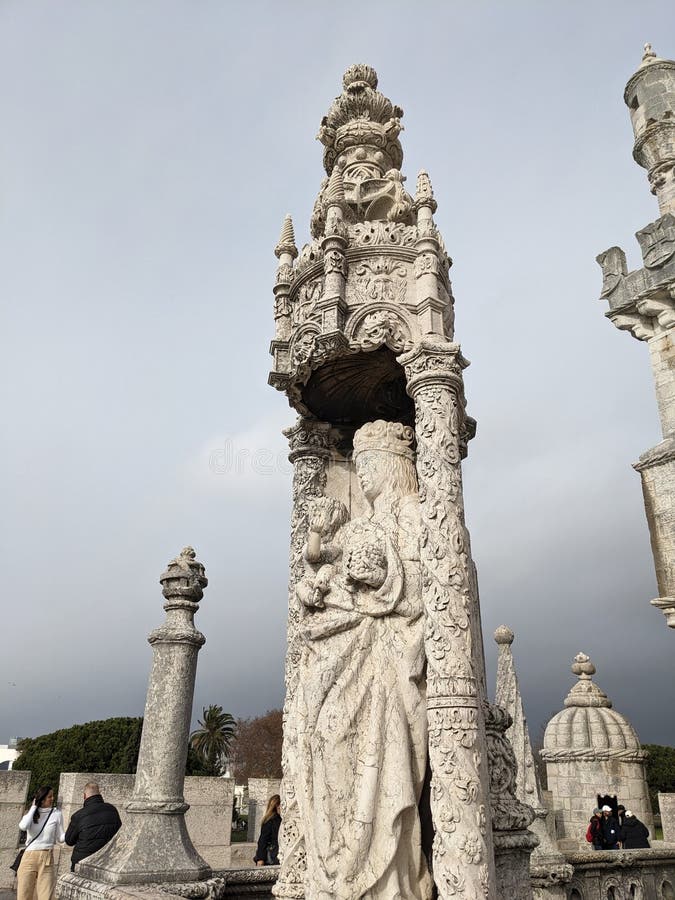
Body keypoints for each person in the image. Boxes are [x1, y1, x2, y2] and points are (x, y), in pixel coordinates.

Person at [17, 785, 66, 900]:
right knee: (24, 894)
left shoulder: (56, 814)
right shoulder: (31, 814)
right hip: (29, 857)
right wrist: (34, 807)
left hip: (47, 857)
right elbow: (23, 826)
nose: (53, 798)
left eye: (52, 796)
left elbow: (61, 838)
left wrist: (74, 831)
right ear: (42, 799)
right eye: (50, 796)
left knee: (46, 896)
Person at [65, 781, 122, 871]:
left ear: (84, 796)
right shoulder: (112, 810)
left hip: (82, 861)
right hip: (107, 861)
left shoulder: (78, 815)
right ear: (99, 794)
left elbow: (69, 840)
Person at [254, 794, 281, 866]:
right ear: (275, 807)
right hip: (273, 857)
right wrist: (260, 859)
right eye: (278, 806)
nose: (280, 808)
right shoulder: (270, 821)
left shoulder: (281, 820)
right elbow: (263, 841)